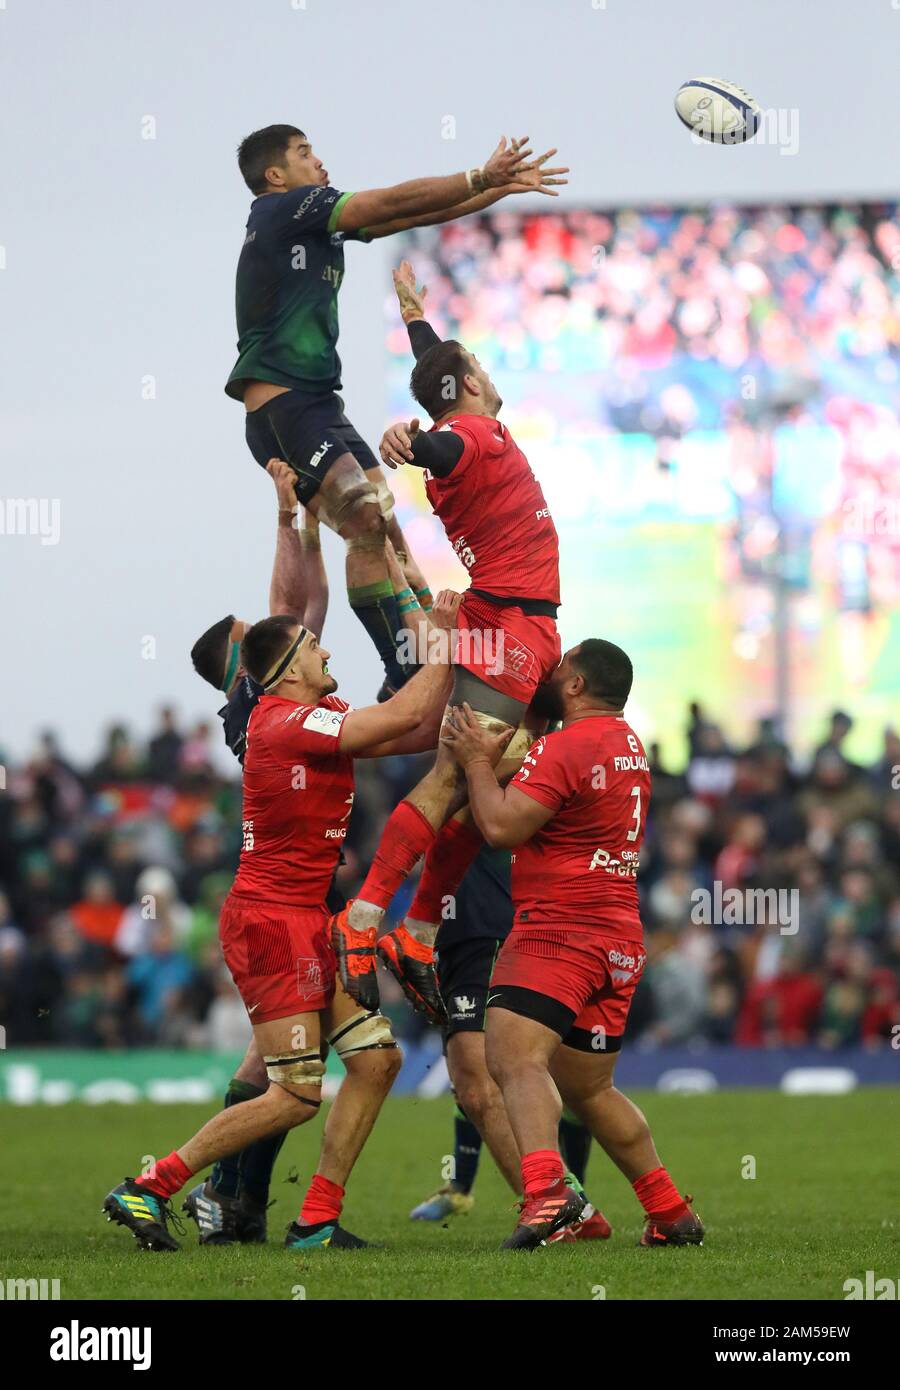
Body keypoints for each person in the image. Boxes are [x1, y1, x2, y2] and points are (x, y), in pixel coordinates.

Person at [103, 580, 455, 1257]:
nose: (325, 649)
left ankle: (315, 1220)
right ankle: (152, 1186)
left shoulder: (313, 713)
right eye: (313, 643)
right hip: (270, 924)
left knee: (378, 1062)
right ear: (290, 663)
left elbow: (411, 723)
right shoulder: (286, 721)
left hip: (308, 921)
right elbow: (401, 716)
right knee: (295, 1094)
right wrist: (441, 638)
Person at [227, 126, 566, 696]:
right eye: (306, 153)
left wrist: (496, 190)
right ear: (276, 176)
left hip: (319, 406)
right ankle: (402, 668)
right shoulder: (285, 208)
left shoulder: (310, 222)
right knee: (363, 516)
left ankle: (420, 657)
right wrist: (481, 175)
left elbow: (402, 218)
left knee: (391, 539)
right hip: (283, 411)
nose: (320, 161)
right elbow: (389, 200)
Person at [331, 260, 562, 1022]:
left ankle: (420, 928)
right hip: (507, 626)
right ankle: (367, 922)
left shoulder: (458, 423)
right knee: (451, 778)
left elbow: (438, 402)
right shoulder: (474, 434)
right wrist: (409, 441)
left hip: (518, 623)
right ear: (464, 389)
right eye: (480, 369)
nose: (489, 376)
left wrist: (414, 321)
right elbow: (446, 440)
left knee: (492, 776)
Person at [443, 639, 704, 1251]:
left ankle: (548, 1196)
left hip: (559, 929)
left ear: (578, 685)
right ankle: (668, 1210)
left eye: (560, 668)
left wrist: (480, 764)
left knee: (510, 1058)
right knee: (590, 1089)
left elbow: (503, 826)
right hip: (617, 934)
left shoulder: (565, 746)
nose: (549, 672)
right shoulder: (629, 745)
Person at [410, 837, 611, 1243]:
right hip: (461, 932)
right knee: (478, 1078)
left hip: (493, 928)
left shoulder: (497, 776)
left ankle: (560, 1204)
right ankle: (574, 1205)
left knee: (485, 1074)